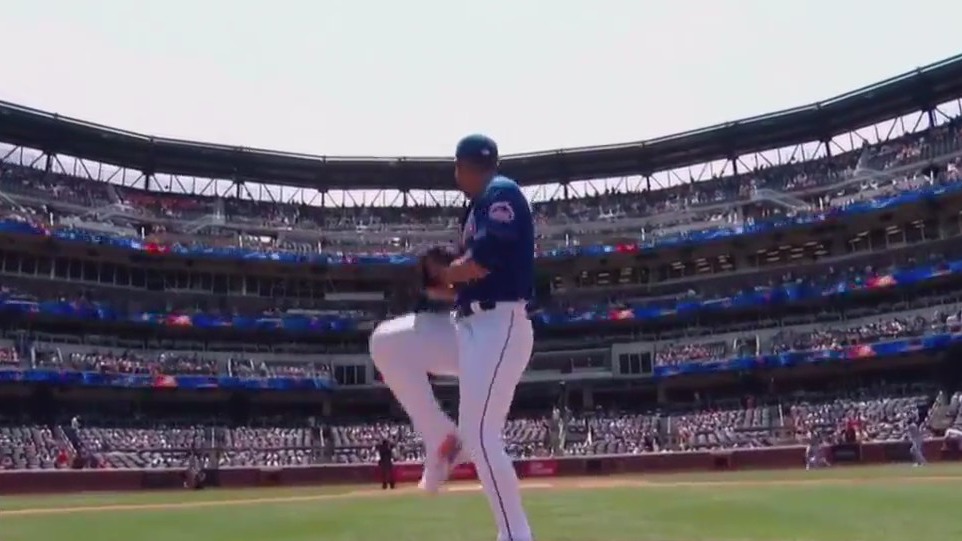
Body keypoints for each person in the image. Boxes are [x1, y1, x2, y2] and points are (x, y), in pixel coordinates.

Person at [424, 134, 536, 541]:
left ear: (462, 167)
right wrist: (446, 286)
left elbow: (483, 261)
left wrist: (444, 274)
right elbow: (471, 276)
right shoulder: (477, 205)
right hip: (475, 324)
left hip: (498, 323)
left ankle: (516, 536)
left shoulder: (500, 192)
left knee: (483, 435)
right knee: (477, 433)